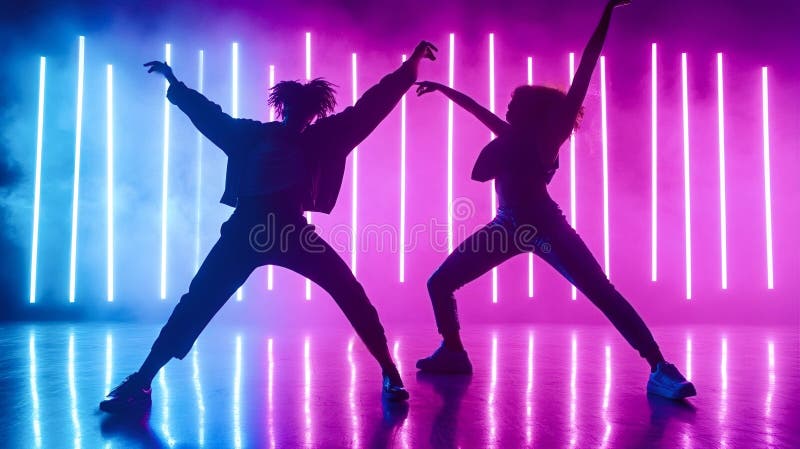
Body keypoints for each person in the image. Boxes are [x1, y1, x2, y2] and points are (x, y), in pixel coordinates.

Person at [100, 40, 438, 413]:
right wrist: (175, 85)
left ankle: (390, 370)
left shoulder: (321, 139)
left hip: (291, 231)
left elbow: (369, 108)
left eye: (305, 110)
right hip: (245, 230)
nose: (298, 115)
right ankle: (143, 380)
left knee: (350, 293)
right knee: (197, 301)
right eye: (293, 107)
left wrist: (410, 69)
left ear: (312, 113)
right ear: (283, 107)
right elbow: (209, 116)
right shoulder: (251, 135)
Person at [414, 1, 696, 400]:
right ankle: (454, 351)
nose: (506, 106)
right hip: (506, 226)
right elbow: (481, 114)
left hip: (545, 227)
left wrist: (608, 11)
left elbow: (587, 62)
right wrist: (446, 91)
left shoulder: (548, 134)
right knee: (439, 283)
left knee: (603, 292)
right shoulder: (511, 136)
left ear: (530, 111)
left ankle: (659, 367)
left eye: (514, 102)